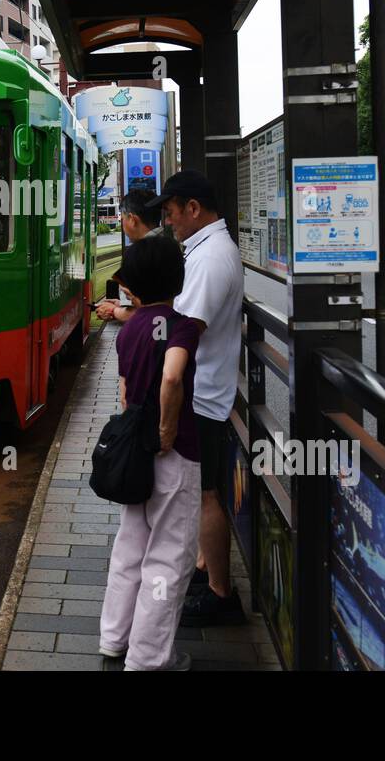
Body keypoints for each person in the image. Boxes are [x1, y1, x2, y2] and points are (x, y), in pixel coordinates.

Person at [98, 235, 202, 671]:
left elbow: (125, 390)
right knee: (168, 555)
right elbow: (173, 378)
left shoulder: (131, 325)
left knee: (130, 547)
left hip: (134, 453)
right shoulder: (182, 324)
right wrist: (165, 428)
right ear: (178, 277)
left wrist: (141, 431)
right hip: (173, 451)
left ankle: (113, 638)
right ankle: (148, 659)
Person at [149, 170, 246, 627]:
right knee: (201, 492)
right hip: (204, 389)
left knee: (206, 495)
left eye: (171, 213)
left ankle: (221, 596)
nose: (168, 222)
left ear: (193, 208)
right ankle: (206, 571)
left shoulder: (211, 259)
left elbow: (189, 330)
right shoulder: (208, 250)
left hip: (203, 394)